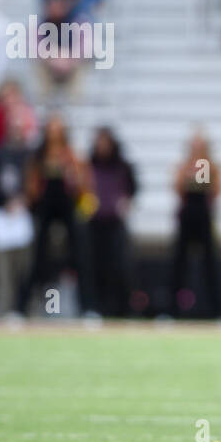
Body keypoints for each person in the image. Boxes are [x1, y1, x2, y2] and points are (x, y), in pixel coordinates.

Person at [21, 114, 91, 316]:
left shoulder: (70, 155)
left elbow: (81, 184)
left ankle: (86, 308)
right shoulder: (39, 156)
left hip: (67, 205)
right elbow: (32, 190)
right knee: (37, 256)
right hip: (45, 207)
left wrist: (70, 171)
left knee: (79, 254)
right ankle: (24, 307)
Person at [0, 111, 33, 316]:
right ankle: (4, 309)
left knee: (23, 267)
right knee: (2, 268)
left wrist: (24, 200)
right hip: (1, 215)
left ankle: (23, 310)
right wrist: (4, 202)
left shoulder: (30, 154)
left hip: (23, 214)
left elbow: (35, 184)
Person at [170, 130, 221, 317]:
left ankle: (216, 310)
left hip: (204, 215)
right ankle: (173, 309)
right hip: (187, 214)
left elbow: (215, 191)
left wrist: (202, 171)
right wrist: (189, 174)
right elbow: (178, 189)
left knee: (210, 263)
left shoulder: (211, 167)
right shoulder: (183, 166)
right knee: (180, 262)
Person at [86, 127, 136, 318]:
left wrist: (126, 202)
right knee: (97, 266)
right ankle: (97, 309)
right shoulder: (89, 165)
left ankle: (125, 310)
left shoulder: (123, 166)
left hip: (116, 223)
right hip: (95, 223)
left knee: (121, 266)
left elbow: (132, 189)